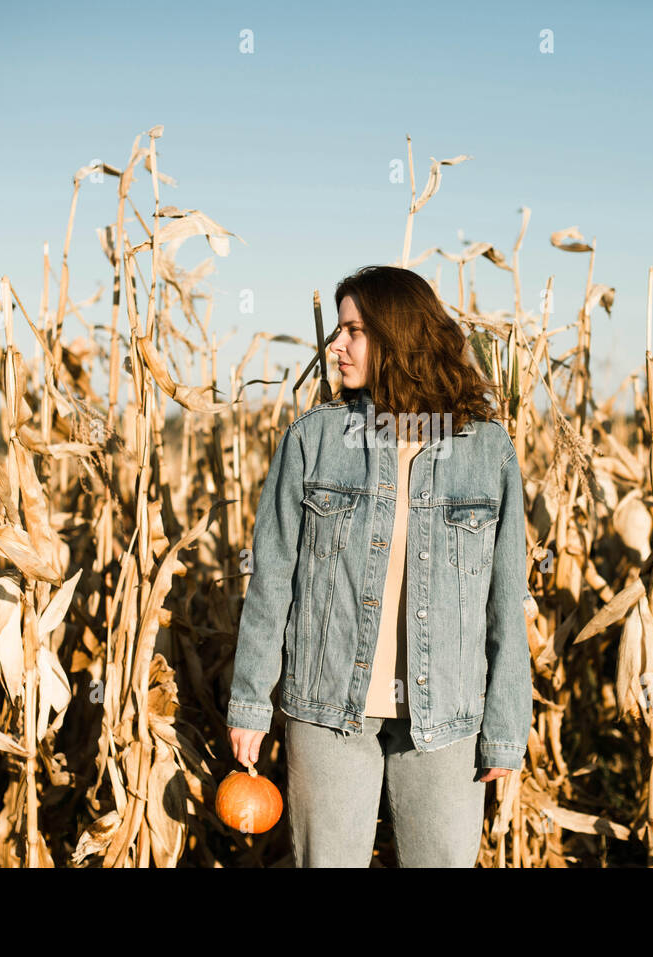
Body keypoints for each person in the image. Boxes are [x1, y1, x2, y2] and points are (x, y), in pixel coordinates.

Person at [225, 265, 533, 867]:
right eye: (337, 330)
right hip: (327, 707)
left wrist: (504, 725)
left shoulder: (486, 450)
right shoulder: (314, 440)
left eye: (354, 332)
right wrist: (251, 704)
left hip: (444, 716)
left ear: (399, 337)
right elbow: (271, 583)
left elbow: (506, 599)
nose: (334, 346)